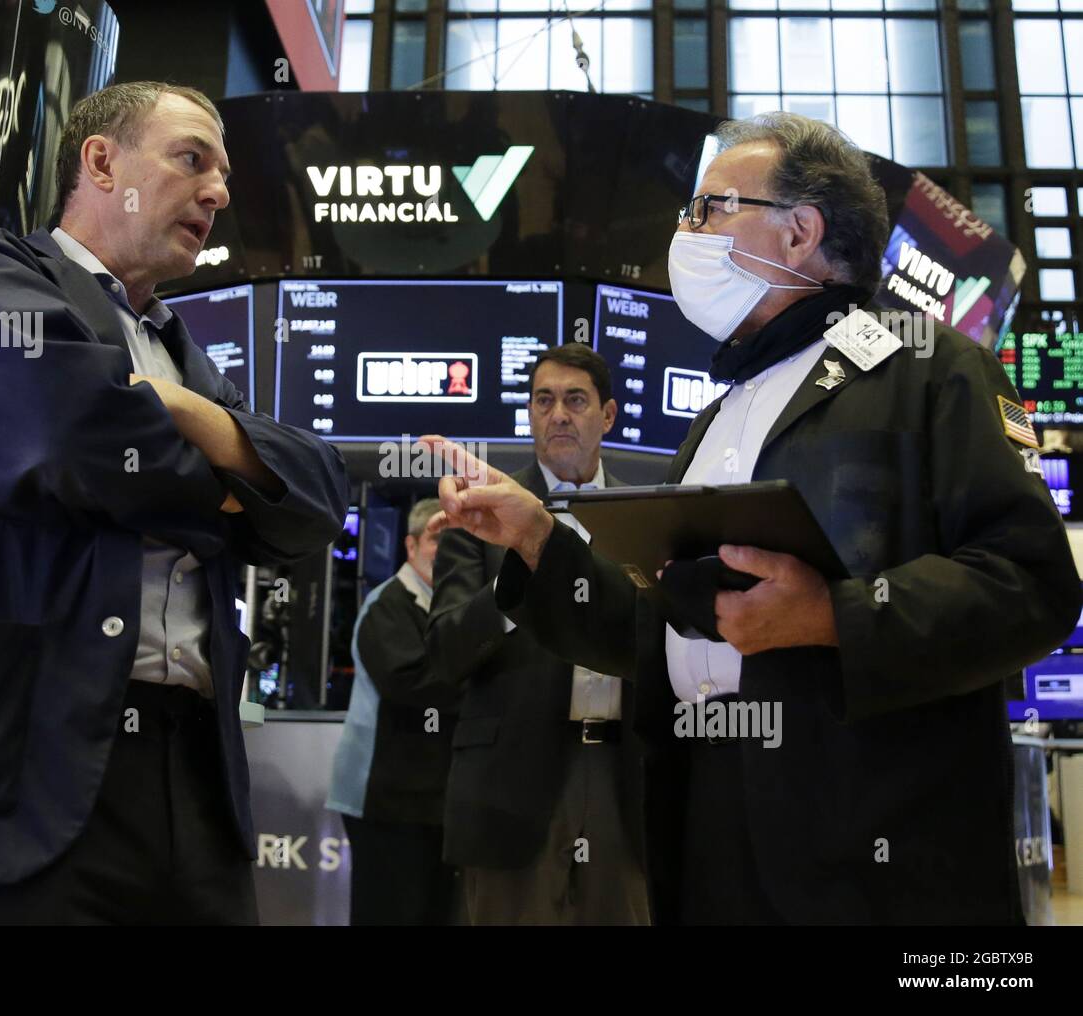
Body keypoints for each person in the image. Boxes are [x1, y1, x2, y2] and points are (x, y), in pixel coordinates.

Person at [421, 112, 1082, 925]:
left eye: (708, 210)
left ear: (802, 231)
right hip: (710, 826)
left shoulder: (934, 368)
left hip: (871, 844)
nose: (685, 233)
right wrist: (538, 540)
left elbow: (1031, 584)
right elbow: (659, 629)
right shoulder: (720, 413)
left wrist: (831, 618)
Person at [0, 82, 349, 924]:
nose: (218, 191)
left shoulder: (194, 365)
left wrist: (179, 410)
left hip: (192, 791)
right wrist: (235, 483)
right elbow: (65, 442)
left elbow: (317, 498)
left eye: (222, 173)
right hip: (9, 781)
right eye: (192, 159)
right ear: (102, 162)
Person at [426, 343, 648, 925]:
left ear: (608, 416)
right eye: (543, 400)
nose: (558, 414)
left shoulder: (642, 515)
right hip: (512, 784)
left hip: (625, 779)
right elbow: (446, 651)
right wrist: (516, 576)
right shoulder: (478, 515)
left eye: (576, 400)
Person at [326, 498, 460, 925]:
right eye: (440, 538)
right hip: (384, 805)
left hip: (431, 804)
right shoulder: (387, 606)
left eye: (461, 541)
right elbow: (413, 683)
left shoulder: (446, 609)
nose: (449, 550)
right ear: (411, 545)